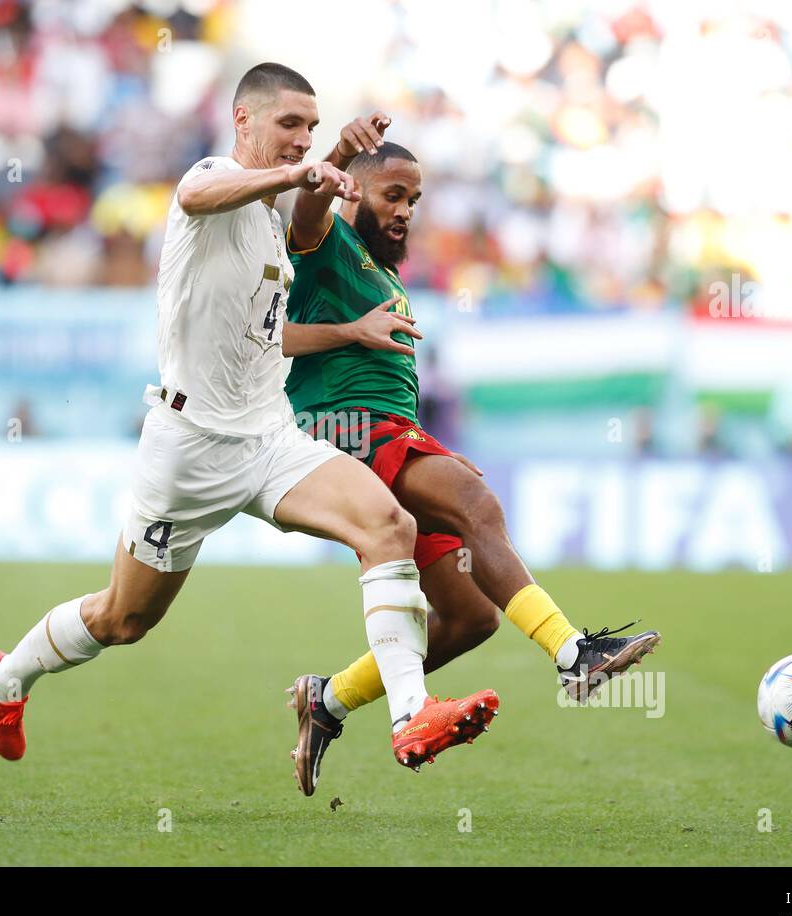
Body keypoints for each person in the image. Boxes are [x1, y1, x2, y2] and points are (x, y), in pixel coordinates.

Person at [0, 65, 498, 776]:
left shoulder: (280, 213)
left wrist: (335, 160)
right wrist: (303, 171)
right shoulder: (216, 177)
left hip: (270, 435)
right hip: (187, 447)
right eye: (289, 124)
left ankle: (410, 716)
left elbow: (277, 320)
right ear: (244, 121)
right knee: (125, 618)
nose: (301, 138)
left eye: (311, 126)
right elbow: (197, 191)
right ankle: (6, 680)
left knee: (388, 526)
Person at [281, 116, 661, 795]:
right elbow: (304, 215)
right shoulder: (329, 241)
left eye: (414, 201)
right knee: (476, 502)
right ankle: (575, 655)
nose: (404, 211)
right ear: (354, 192)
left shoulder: (380, 273)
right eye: (393, 194)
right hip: (347, 432)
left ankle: (327, 700)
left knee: (470, 617)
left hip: (387, 431)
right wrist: (333, 158)